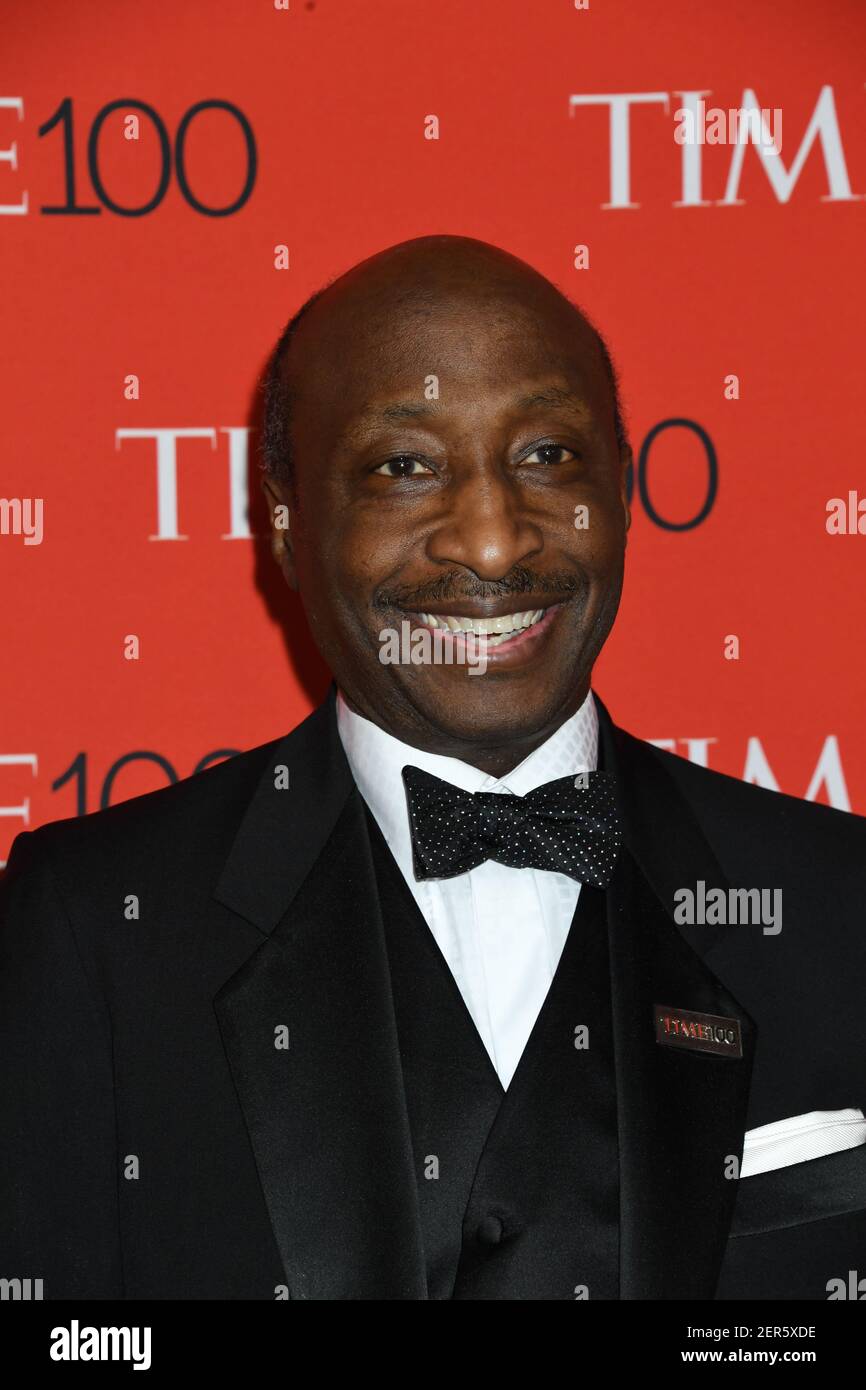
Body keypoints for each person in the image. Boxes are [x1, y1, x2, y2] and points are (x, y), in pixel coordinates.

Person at [2, 236, 865, 1301]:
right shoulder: (98, 925)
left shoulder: (837, 904)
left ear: (624, 490)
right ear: (284, 520)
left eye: (546, 454)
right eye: (402, 467)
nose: (495, 542)